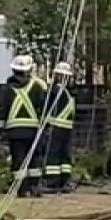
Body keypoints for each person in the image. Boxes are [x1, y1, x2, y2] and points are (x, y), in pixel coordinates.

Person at [0, 54, 46, 197]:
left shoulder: (6, 89)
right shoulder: (37, 87)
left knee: (18, 160)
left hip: (15, 132)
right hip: (33, 130)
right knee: (34, 159)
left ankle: (21, 189)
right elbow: (43, 107)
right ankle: (35, 187)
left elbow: (1, 111)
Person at [41, 61, 77, 193]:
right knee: (64, 155)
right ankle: (65, 180)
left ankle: (52, 182)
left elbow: (46, 108)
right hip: (67, 129)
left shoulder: (55, 91)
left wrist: (45, 124)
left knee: (53, 155)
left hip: (55, 127)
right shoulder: (69, 93)